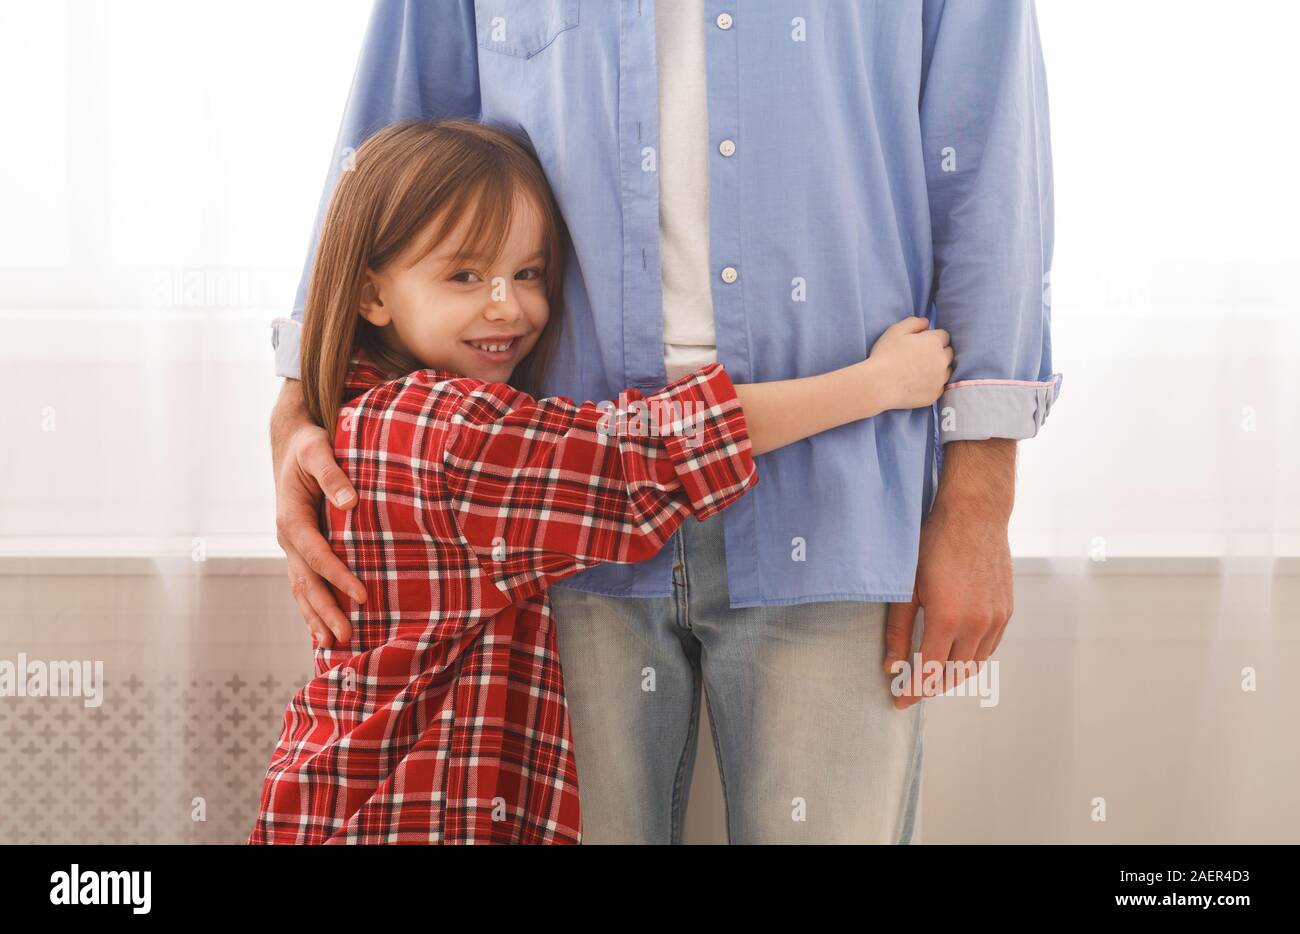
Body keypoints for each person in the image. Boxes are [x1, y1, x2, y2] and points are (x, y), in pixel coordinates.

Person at [269, 0, 1060, 844]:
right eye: (469, 277)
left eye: (514, 275)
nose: (499, 300)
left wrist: (982, 492)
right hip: (554, 528)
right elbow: (387, 164)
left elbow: (988, 165)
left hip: (837, 499)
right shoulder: (447, 439)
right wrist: (297, 409)